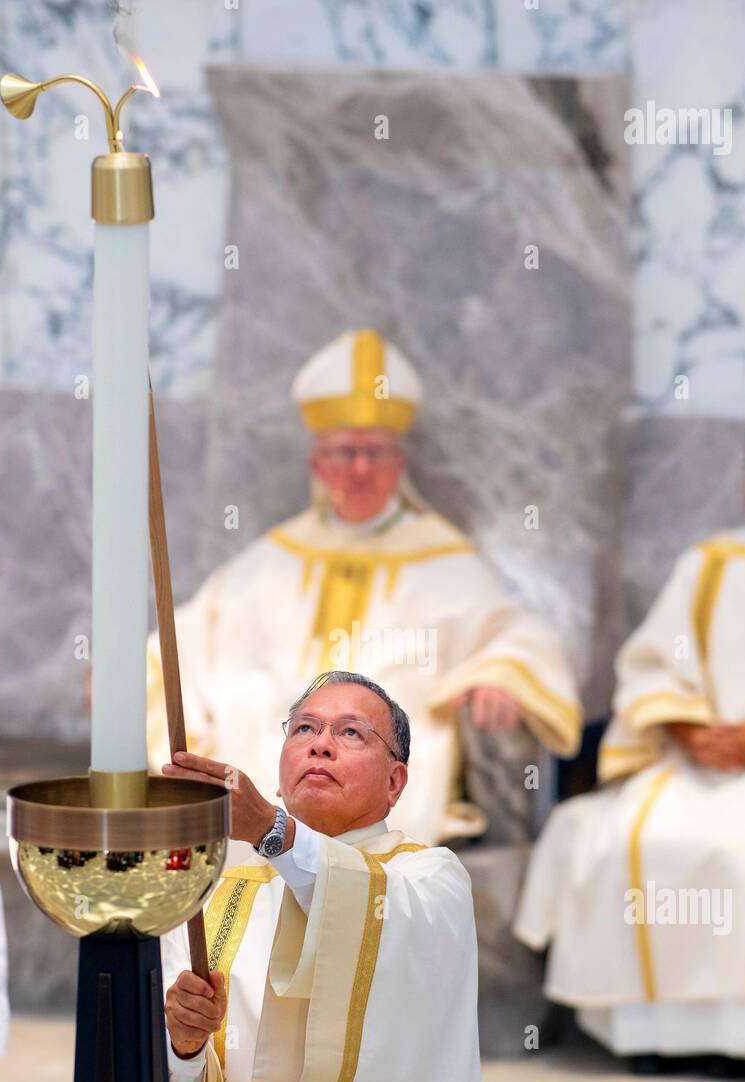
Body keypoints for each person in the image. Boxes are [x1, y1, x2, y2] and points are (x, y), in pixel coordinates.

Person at [514, 408, 745, 1076]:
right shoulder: (707, 564)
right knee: (634, 839)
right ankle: (652, 1035)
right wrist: (685, 726)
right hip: (692, 755)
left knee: (744, 850)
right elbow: (653, 661)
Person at [147, 328, 581, 850]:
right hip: (267, 750)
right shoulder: (274, 557)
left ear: (398, 465)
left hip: (380, 763)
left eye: (375, 452)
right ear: (317, 466)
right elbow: (182, 640)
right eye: (344, 452)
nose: (359, 468)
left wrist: (500, 677)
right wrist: (126, 673)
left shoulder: (443, 558)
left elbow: (516, 633)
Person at [159, 670, 482, 1082]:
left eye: (351, 733)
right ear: (282, 767)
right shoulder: (217, 894)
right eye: (305, 728)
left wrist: (271, 830)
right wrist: (184, 1045)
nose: (321, 744)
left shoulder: (429, 880)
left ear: (395, 782)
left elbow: (368, 919)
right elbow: (170, 1067)